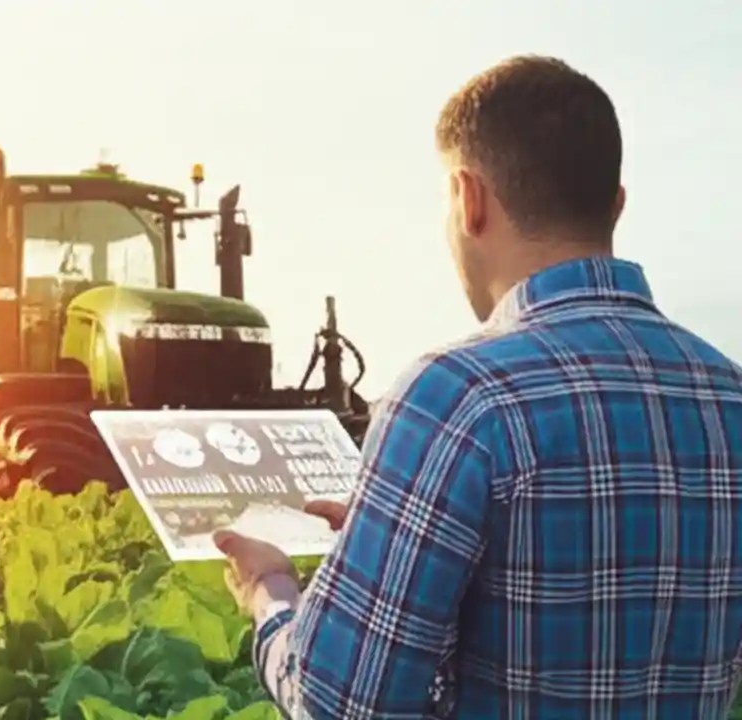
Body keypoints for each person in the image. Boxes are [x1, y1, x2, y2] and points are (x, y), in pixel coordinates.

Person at [214, 54, 742, 719]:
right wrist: (404, 547)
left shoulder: (458, 398)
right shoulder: (729, 395)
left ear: (468, 198)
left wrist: (272, 590)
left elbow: (343, 704)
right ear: (616, 204)